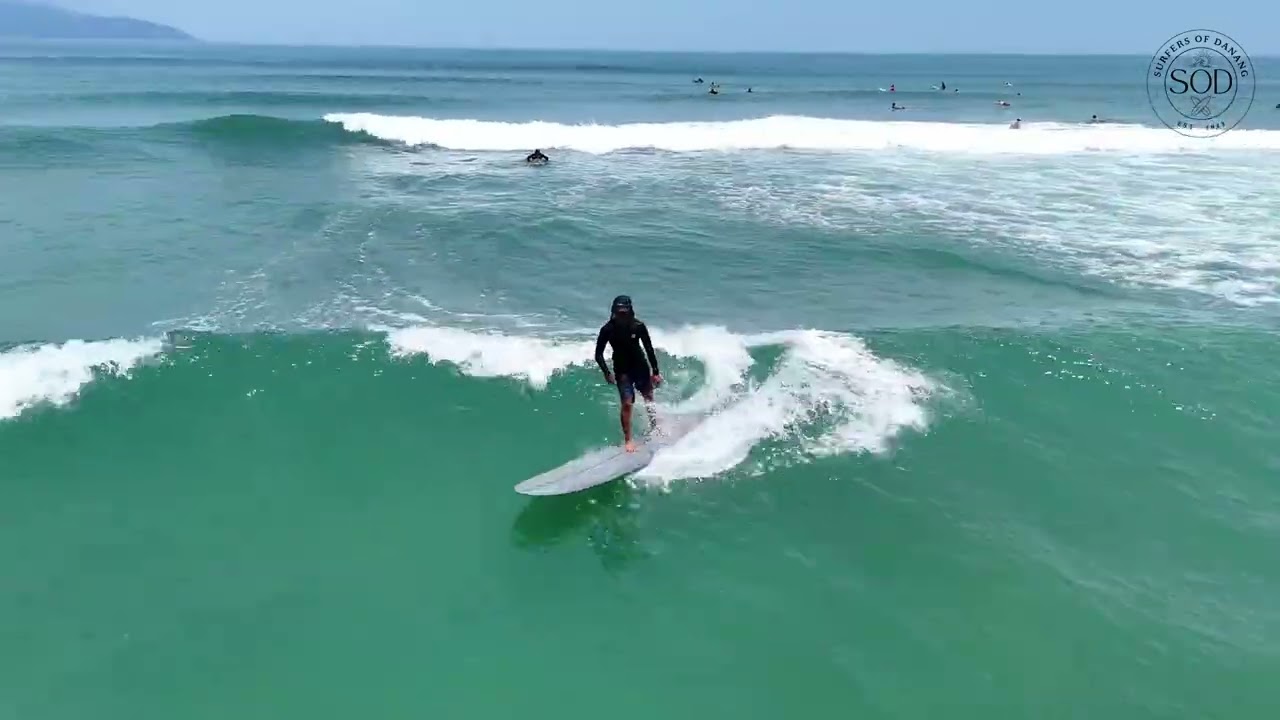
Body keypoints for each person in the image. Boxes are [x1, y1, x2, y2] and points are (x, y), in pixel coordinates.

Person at [594, 295, 663, 452]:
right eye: (619, 312)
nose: (622, 315)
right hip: (622, 370)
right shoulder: (607, 329)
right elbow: (598, 354)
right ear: (614, 312)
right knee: (627, 403)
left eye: (625, 312)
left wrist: (656, 372)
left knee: (648, 398)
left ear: (630, 311)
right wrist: (606, 372)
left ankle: (655, 428)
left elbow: (649, 349)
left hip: (640, 367)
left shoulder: (638, 326)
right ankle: (628, 440)